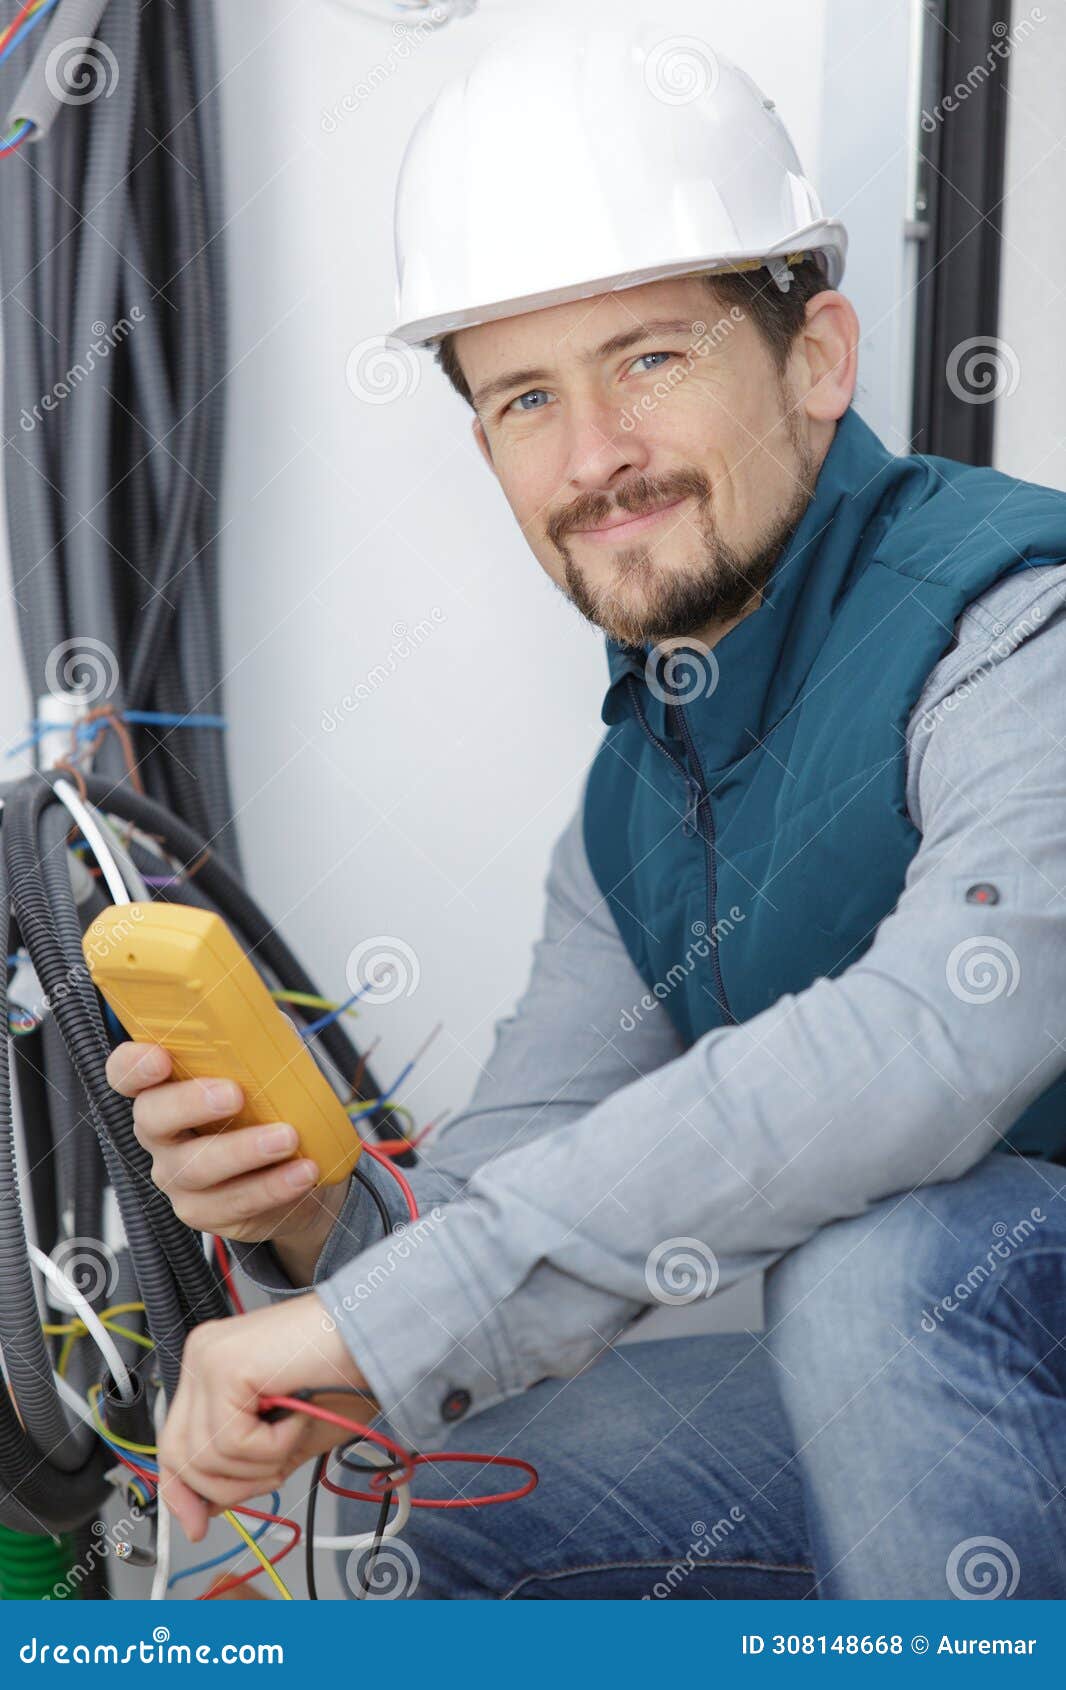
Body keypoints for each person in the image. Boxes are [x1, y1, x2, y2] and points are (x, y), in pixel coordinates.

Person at [110, 24, 1066, 1598]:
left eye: (651, 358)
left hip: (957, 1332)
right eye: (524, 400)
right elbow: (492, 1215)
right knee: (438, 1462)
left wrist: (385, 1314)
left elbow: (935, 1038)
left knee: (883, 1269)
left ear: (816, 357)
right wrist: (316, 1222)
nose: (596, 458)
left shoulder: (1015, 624)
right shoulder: (643, 795)